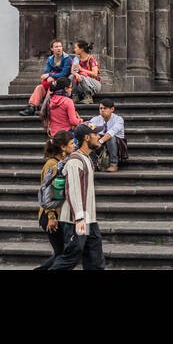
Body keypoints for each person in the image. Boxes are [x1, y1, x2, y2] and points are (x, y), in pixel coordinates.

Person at [49, 123, 105, 270]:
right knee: (70, 258)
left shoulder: (86, 159)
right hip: (77, 220)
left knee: (95, 259)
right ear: (87, 138)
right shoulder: (75, 161)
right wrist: (80, 219)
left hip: (89, 220)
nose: (98, 137)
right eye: (95, 134)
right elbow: (73, 191)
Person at [35, 130, 75, 269]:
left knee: (62, 252)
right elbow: (47, 192)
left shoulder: (62, 162)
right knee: (61, 253)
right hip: (50, 215)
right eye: (71, 143)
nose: (74, 145)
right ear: (63, 148)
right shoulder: (52, 165)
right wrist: (52, 216)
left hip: (58, 214)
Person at [20, 39, 73, 116]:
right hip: (52, 81)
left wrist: (51, 75)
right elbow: (46, 72)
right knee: (39, 87)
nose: (59, 48)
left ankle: (45, 109)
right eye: (56, 47)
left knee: (51, 87)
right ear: (52, 49)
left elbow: (64, 74)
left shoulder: (67, 59)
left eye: (60, 46)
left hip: (63, 82)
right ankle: (31, 107)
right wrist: (48, 77)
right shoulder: (50, 59)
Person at [87, 98, 127, 172]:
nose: (102, 110)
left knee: (110, 138)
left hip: (117, 145)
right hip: (101, 144)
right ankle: (94, 164)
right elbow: (87, 126)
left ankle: (113, 164)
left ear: (112, 109)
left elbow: (111, 133)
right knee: (90, 137)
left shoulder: (118, 119)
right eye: (100, 108)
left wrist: (99, 142)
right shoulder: (96, 119)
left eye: (105, 108)